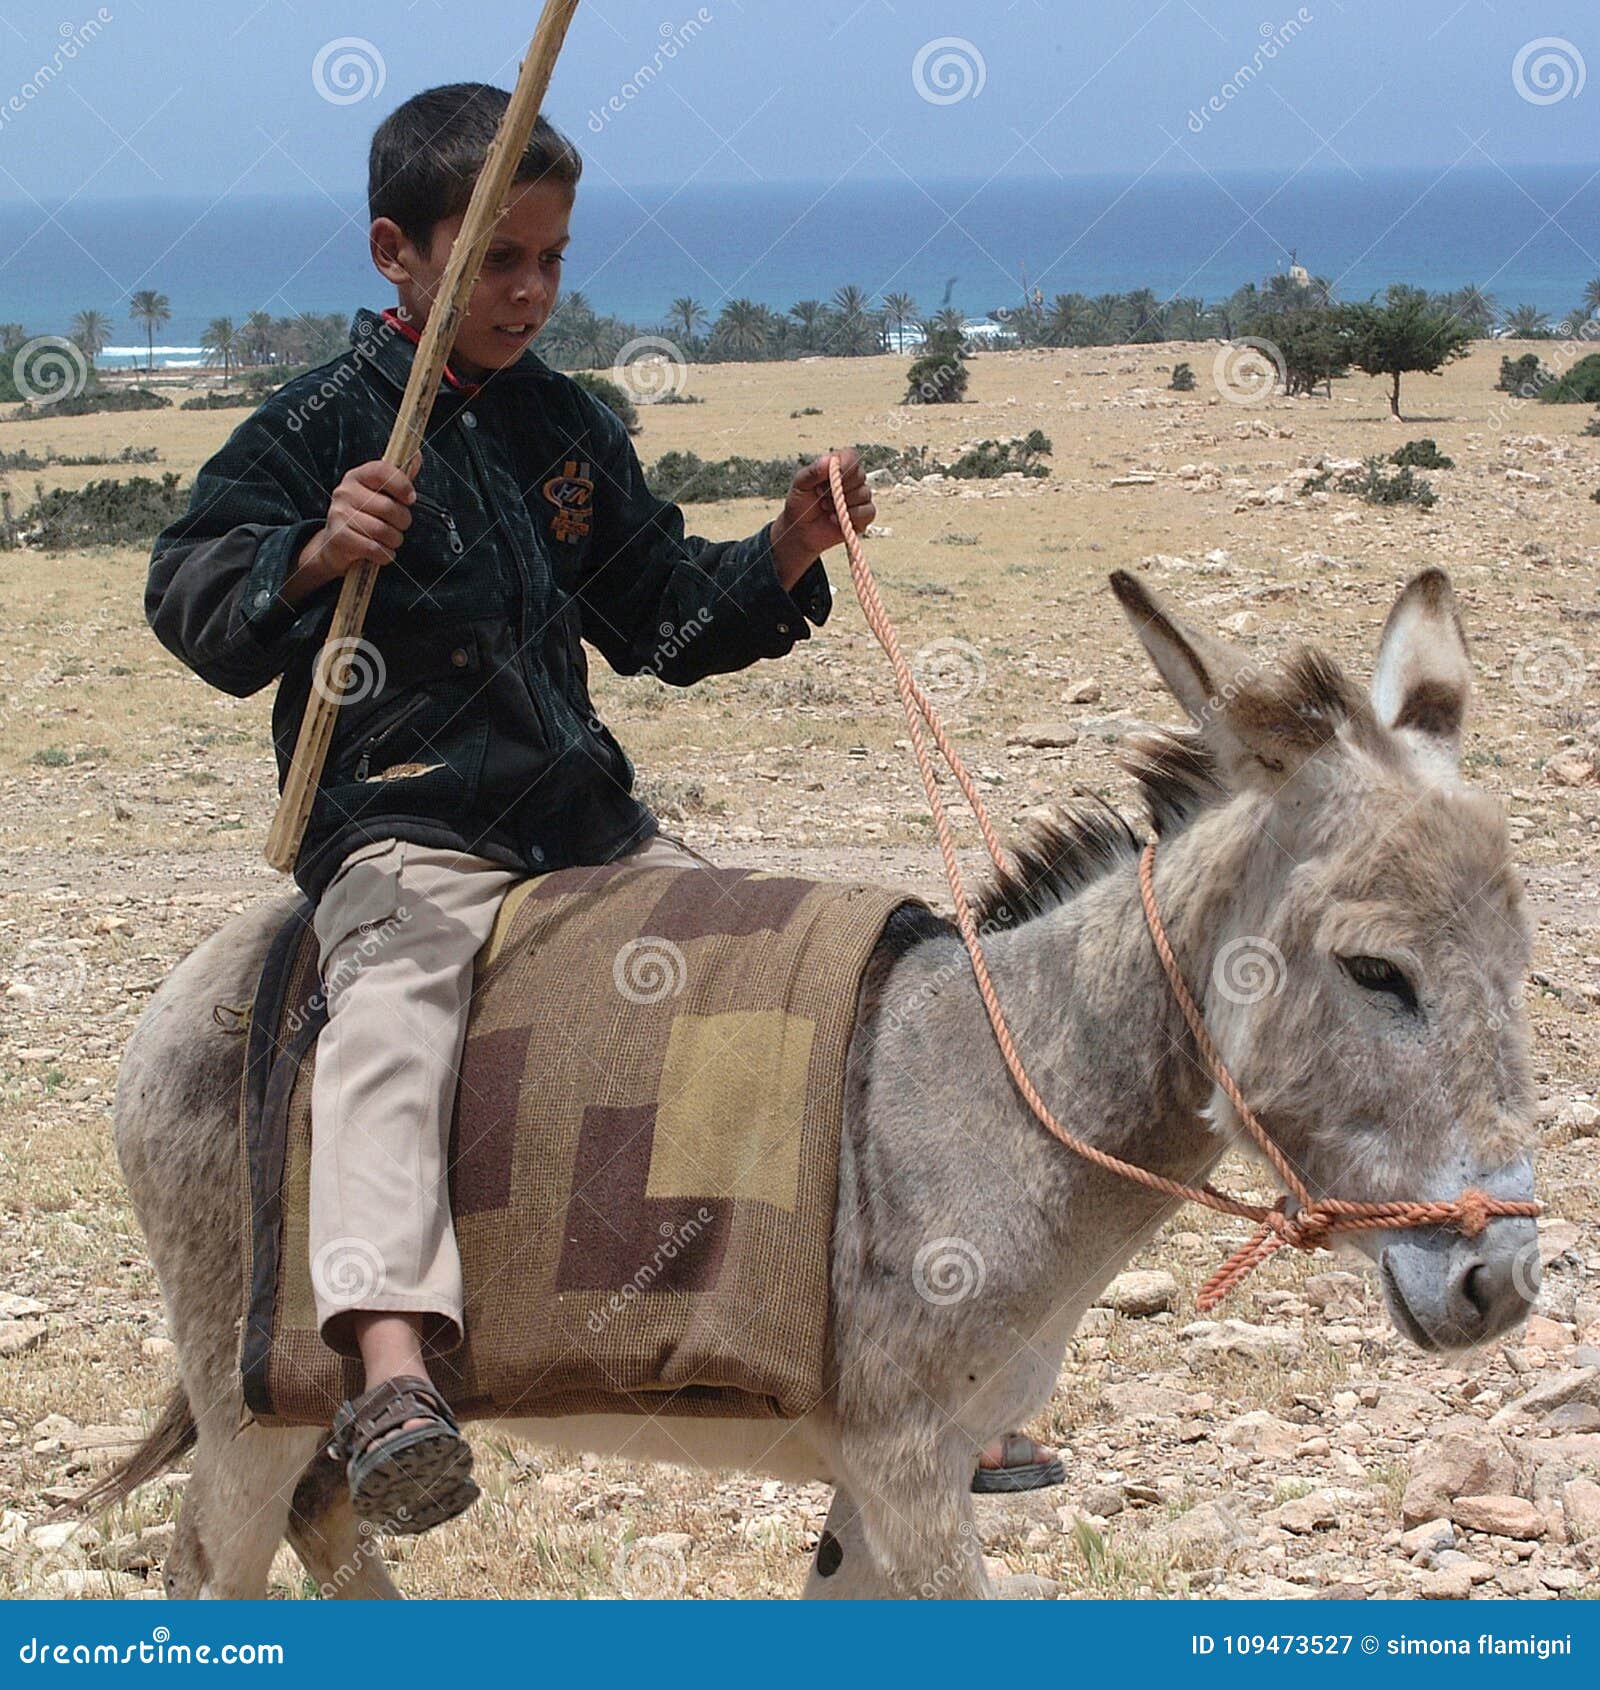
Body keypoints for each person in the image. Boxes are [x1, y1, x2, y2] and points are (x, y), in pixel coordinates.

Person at [145, 81, 1055, 1531]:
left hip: (582, 823)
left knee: (771, 987)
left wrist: (780, 550)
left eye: (554, 257)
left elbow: (658, 618)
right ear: (397, 251)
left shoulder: (567, 424)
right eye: (499, 258)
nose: (532, 289)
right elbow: (186, 595)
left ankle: (874, 1361)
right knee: (391, 1015)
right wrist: (313, 554)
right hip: (406, 821)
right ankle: (388, 1369)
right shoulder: (316, 421)